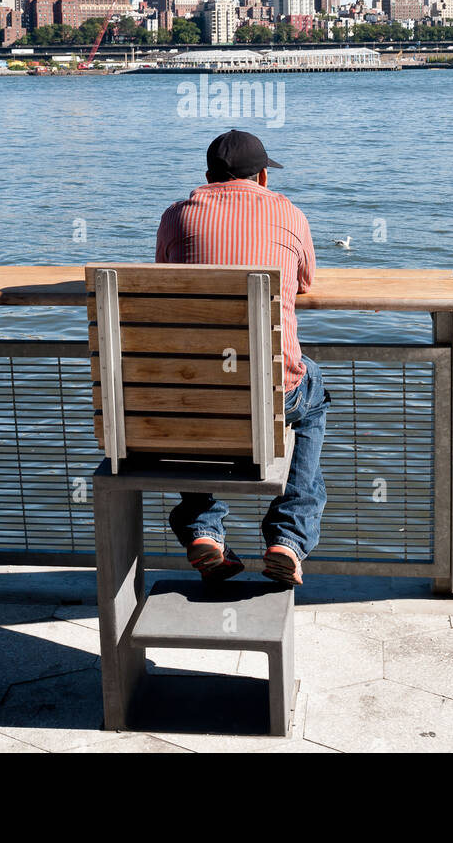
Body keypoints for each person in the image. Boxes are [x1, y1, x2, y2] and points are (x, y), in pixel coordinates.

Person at [155, 129, 330, 587]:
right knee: (311, 393)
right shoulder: (290, 213)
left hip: (196, 395)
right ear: (265, 176)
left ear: (208, 176)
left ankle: (202, 525)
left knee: (189, 394)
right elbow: (306, 280)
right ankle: (287, 537)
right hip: (272, 396)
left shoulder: (176, 217)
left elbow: (165, 279)